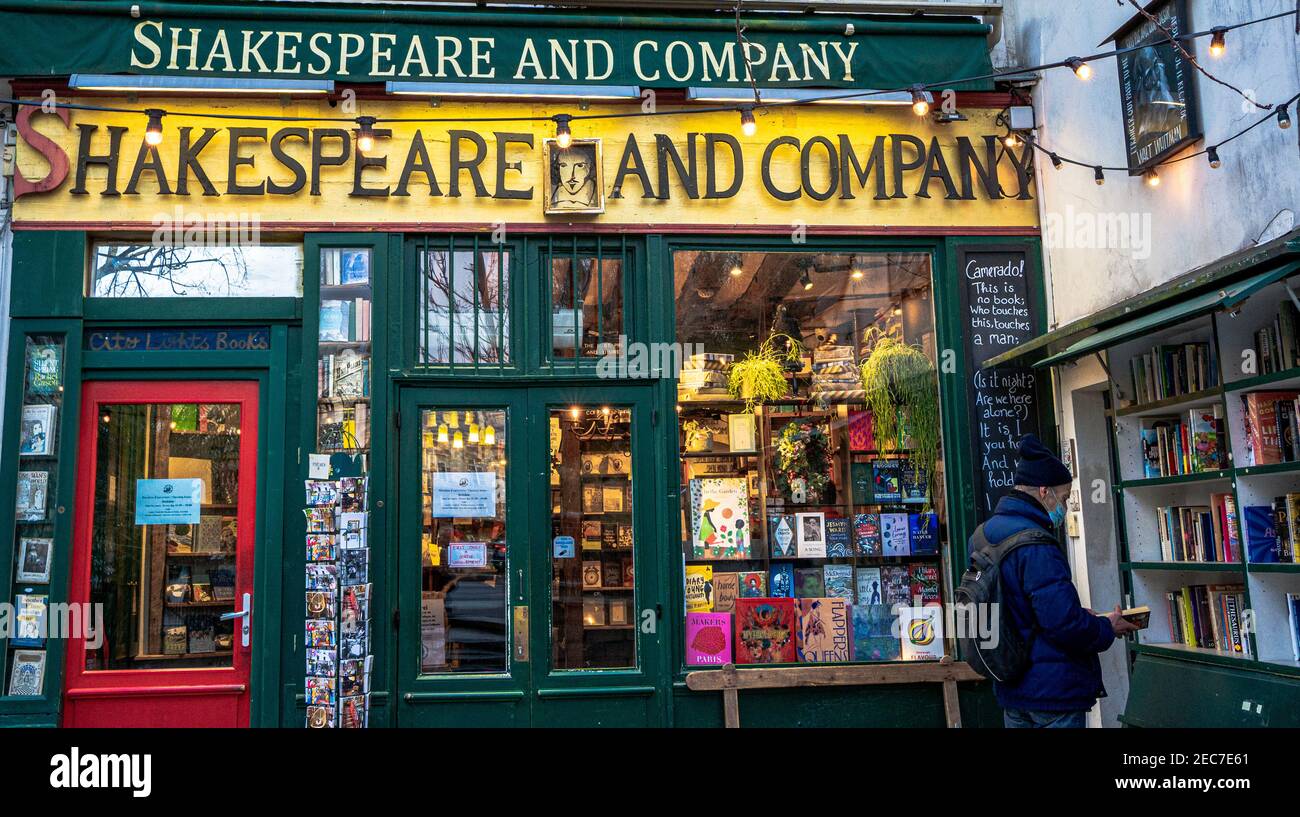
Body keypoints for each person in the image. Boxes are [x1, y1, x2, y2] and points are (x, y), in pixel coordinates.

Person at [975, 434, 1138, 728]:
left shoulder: (983, 535)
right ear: (1044, 491)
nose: (1064, 505)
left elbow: (1017, 609)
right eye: (1063, 497)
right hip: (1053, 692)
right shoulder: (1037, 544)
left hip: (1011, 685)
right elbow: (1063, 624)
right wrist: (1105, 627)